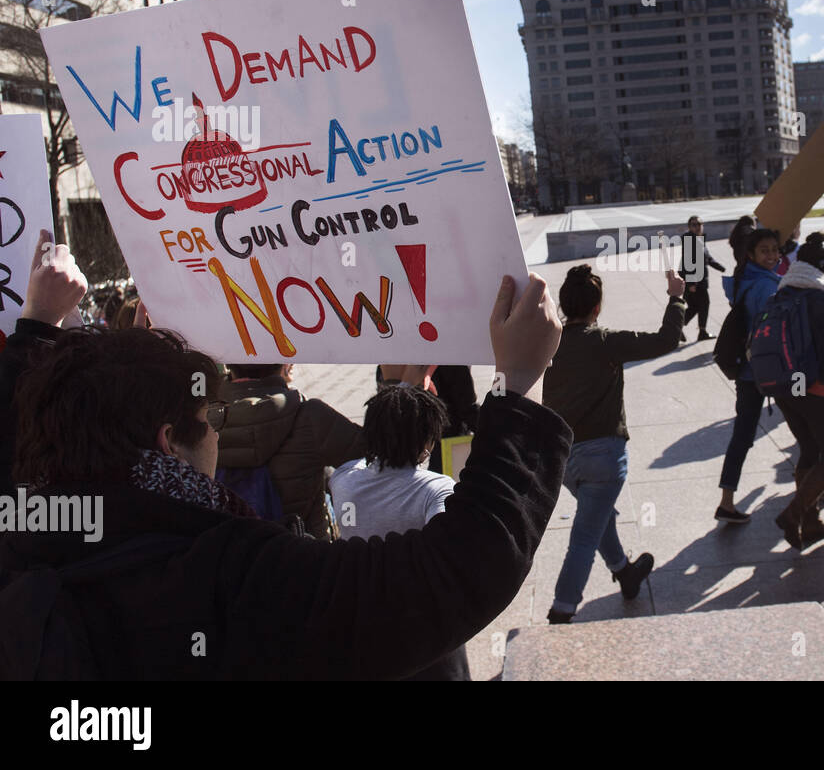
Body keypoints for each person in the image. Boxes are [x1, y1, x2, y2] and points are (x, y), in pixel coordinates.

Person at [0, 245, 572, 679]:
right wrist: (515, 389)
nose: (217, 433)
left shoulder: (22, 546)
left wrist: (43, 330)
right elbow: (452, 574)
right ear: (169, 440)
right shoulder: (233, 578)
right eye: (211, 419)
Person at [541, 264, 684, 623]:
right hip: (603, 458)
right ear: (596, 308)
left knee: (599, 516)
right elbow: (665, 340)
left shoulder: (549, 344)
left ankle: (625, 572)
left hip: (563, 461)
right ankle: (562, 609)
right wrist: (676, 298)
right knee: (585, 536)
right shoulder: (604, 341)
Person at [328, 385, 464, 679]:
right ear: (427, 442)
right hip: (422, 621)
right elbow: (448, 548)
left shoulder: (343, 478)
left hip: (360, 613)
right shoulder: (436, 488)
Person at [767, 234, 824, 549]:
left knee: (808, 449)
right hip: (814, 386)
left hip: (783, 385)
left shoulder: (781, 292)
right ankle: (794, 513)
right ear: (823, 268)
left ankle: (811, 521)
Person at [216, 362, 367, 539]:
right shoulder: (311, 415)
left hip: (228, 552)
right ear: (285, 364)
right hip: (303, 552)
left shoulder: (202, 414)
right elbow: (381, 454)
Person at [717, 228, 784, 522]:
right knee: (808, 423)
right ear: (752, 255)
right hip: (769, 369)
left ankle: (727, 501)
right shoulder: (766, 287)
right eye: (765, 251)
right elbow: (773, 330)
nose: (772, 255)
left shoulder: (745, 280)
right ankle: (819, 482)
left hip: (747, 372)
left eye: (774, 250)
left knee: (742, 436)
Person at [679, 215, 726, 342]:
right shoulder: (690, 241)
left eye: (699, 224)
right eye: (694, 225)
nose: (697, 227)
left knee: (695, 307)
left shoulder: (698, 240)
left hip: (699, 280)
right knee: (703, 305)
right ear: (689, 227)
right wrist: (692, 283)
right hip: (695, 281)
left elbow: (707, 258)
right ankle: (700, 332)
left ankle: (679, 329)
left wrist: (720, 267)